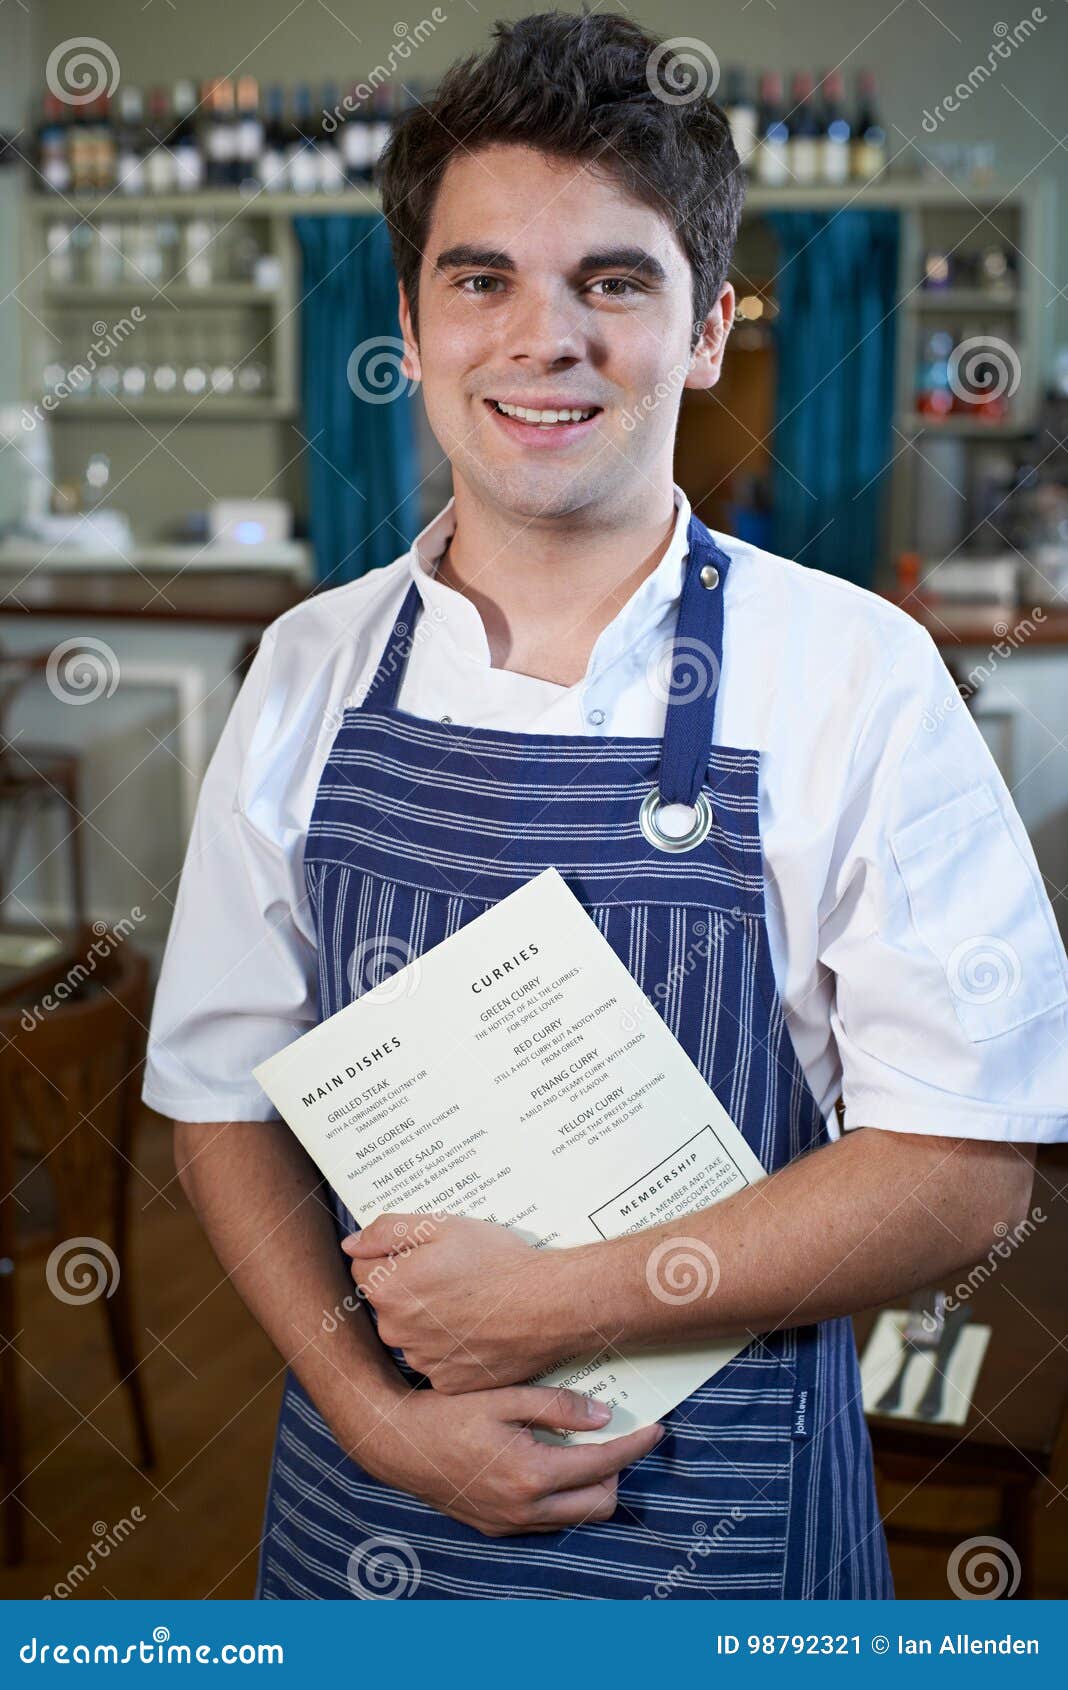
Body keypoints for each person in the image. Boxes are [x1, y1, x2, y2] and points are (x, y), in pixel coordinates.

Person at [143, 13, 1067, 1600]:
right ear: (414, 325)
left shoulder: (858, 675)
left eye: (614, 282)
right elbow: (217, 1100)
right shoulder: (306, 669)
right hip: (368, 1523)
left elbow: (963, 1167)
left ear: (708, 326)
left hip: (730, 1550)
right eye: (481, 278)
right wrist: (374, 1412)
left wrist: (560, 1297)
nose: (541, 338)